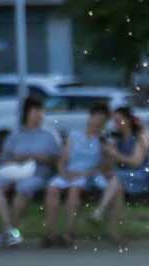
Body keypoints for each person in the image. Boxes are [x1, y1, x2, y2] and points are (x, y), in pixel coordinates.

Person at [0, 95, 63, 247]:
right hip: (15, 172)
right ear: (27, 113)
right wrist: (19, 159)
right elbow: (4, 160)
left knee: (24, 188)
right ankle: (11, 231)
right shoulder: (16, 135)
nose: (40, 115)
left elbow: (57, 161)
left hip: (38, 174)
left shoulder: (49, 136)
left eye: (41, 111)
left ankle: (9, 233)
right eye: (36, 111)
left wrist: (41, 158)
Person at [42, 101, 111, 247]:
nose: (98, 122)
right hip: (70, 173)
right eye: (96, 118)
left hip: (89, 175)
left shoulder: (103, 141)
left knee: (74, 190)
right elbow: (63, 160)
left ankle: (69, 232)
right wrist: (64, 173)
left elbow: (103, 166)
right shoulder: (74, 136)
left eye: (102, 120)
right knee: (53, 189)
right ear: (90, 117)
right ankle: (49, 232)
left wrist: (85, 173)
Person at [93, 105, 149, 246]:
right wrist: (108, 154)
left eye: (120, 120)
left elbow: (136, 162)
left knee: (118, 179)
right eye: (114, 121)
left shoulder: (140, 136)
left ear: (129, 119)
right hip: (124, 178)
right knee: (117, 188)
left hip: (142, 176)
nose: (117, 124)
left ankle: (99, 211)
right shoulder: (117, 139)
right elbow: (114, 164)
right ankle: (113, 233)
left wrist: (116, 154)